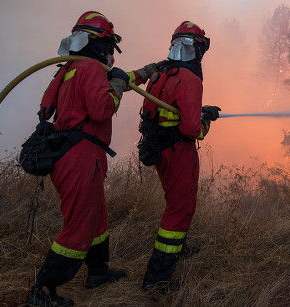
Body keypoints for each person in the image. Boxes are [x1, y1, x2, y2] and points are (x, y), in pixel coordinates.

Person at [26, 11, 130, 307]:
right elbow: (102, 109)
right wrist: (118, 87)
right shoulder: (92, 68)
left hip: (67, 152)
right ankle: (43, 290)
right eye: (109, 45)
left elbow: (46, 108)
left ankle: (98, 272)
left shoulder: (66, 70)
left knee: (96, 215)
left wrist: (134, 75)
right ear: (100, 43)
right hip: (81, 157)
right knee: (79, 226)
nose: (110, 53)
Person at [133, 21, 221, 292]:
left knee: (175, 202)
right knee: (180, 209)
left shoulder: (161, 73)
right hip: (178, 151)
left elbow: (168, 108)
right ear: (197, 48)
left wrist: (198, 110)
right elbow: (191, 128)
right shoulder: (191, 79)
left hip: (160, 148)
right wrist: (204, 122)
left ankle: (176, 249)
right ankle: (156, 279)